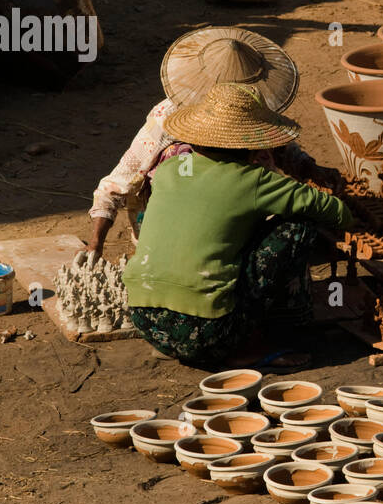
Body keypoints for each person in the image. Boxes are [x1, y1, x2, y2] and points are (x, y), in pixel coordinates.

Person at [122, 82, 354, 369]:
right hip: (209, 332)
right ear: (253, 146)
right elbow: (336, 212)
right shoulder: (254, 179)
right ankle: (252, 348)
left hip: (145, 321)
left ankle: (182, 347)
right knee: (298, 227)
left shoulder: (170, 169)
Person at [88, 26, 342, 259]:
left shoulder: (254, 113)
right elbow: (114, 185)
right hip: (170, 224)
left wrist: (311, 169)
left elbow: (279, 144)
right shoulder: (167, 116)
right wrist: (95, 244)